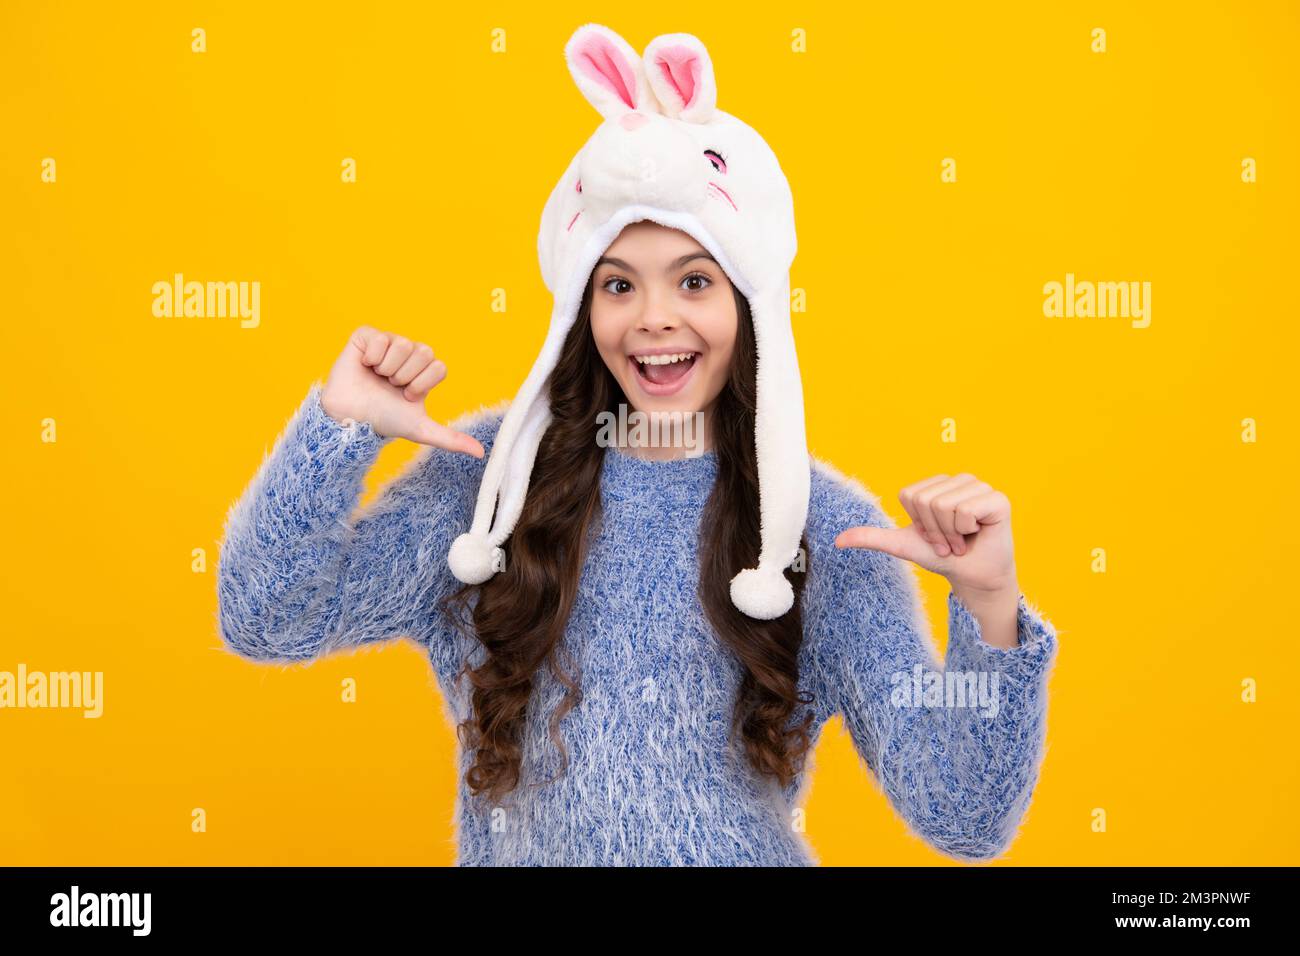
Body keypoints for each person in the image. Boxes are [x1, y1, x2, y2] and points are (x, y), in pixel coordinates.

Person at [216, 23, 1059, 866]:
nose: (654, 316)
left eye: (695, 280)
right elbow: (265, 621)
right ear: (581, 306)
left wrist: (989, 611)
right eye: (618, 283)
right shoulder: (488, 489)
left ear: (751, 305)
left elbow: (965, 817)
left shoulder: (815, 526)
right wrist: (339, 429)